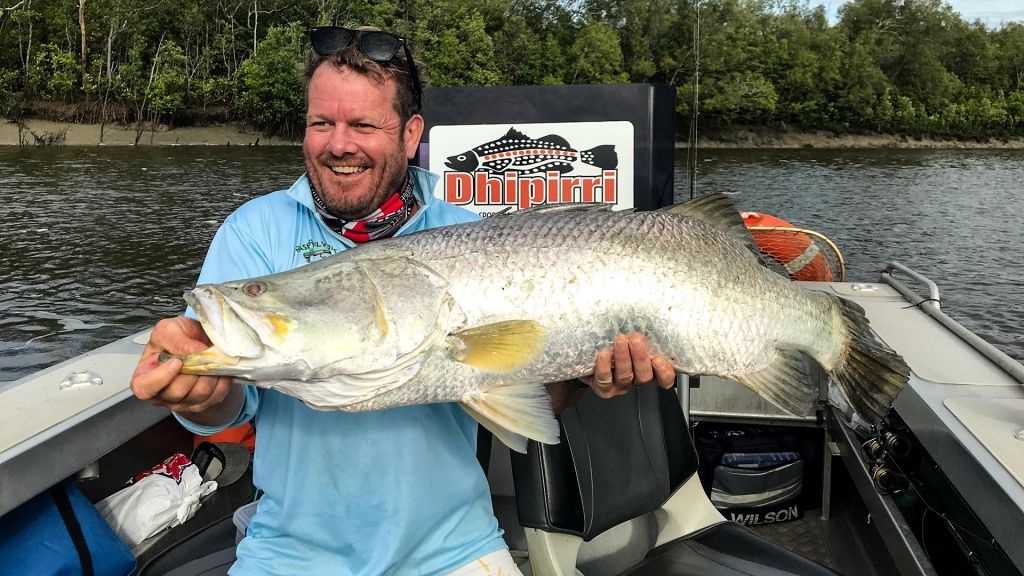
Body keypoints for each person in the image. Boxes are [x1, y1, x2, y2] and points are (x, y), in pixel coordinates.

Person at [130, 25, 676, 576]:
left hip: (458, 550)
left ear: (411, 134)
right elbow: (230, 404)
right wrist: (196, 396)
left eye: (363, 125)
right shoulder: (254, 230)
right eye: (322, 123)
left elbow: (530, 393)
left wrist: (584, 376)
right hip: (288, 553)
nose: (338, 144)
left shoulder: (471, 238)